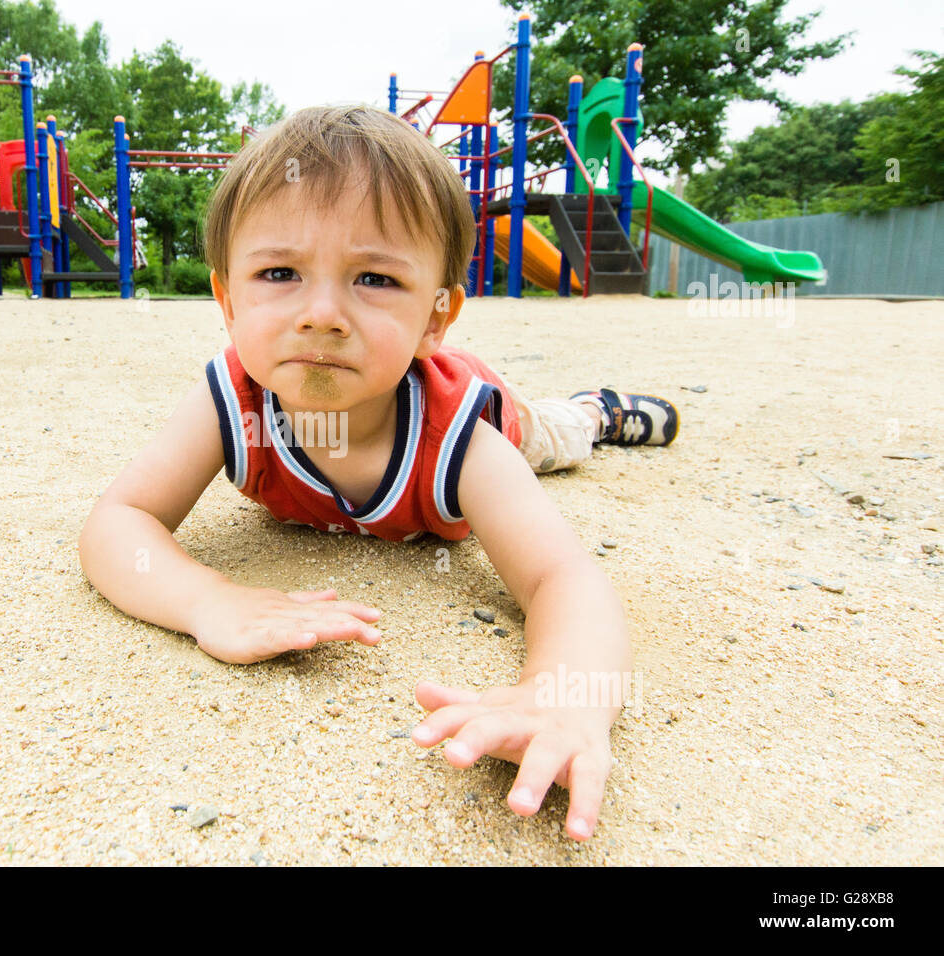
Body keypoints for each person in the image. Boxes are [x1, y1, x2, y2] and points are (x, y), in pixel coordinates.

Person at [79, 105, 678, 842]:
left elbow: (564, 578)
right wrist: (209, 600)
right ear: (228, 301)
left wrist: (566, 698)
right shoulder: (228, 401)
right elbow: (119, 523)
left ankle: (595, 409)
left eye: (373, 278)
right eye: (278, 273)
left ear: (436, 317)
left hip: (505, 420)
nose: (323, 314)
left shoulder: (467, 440)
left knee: (555, 437)